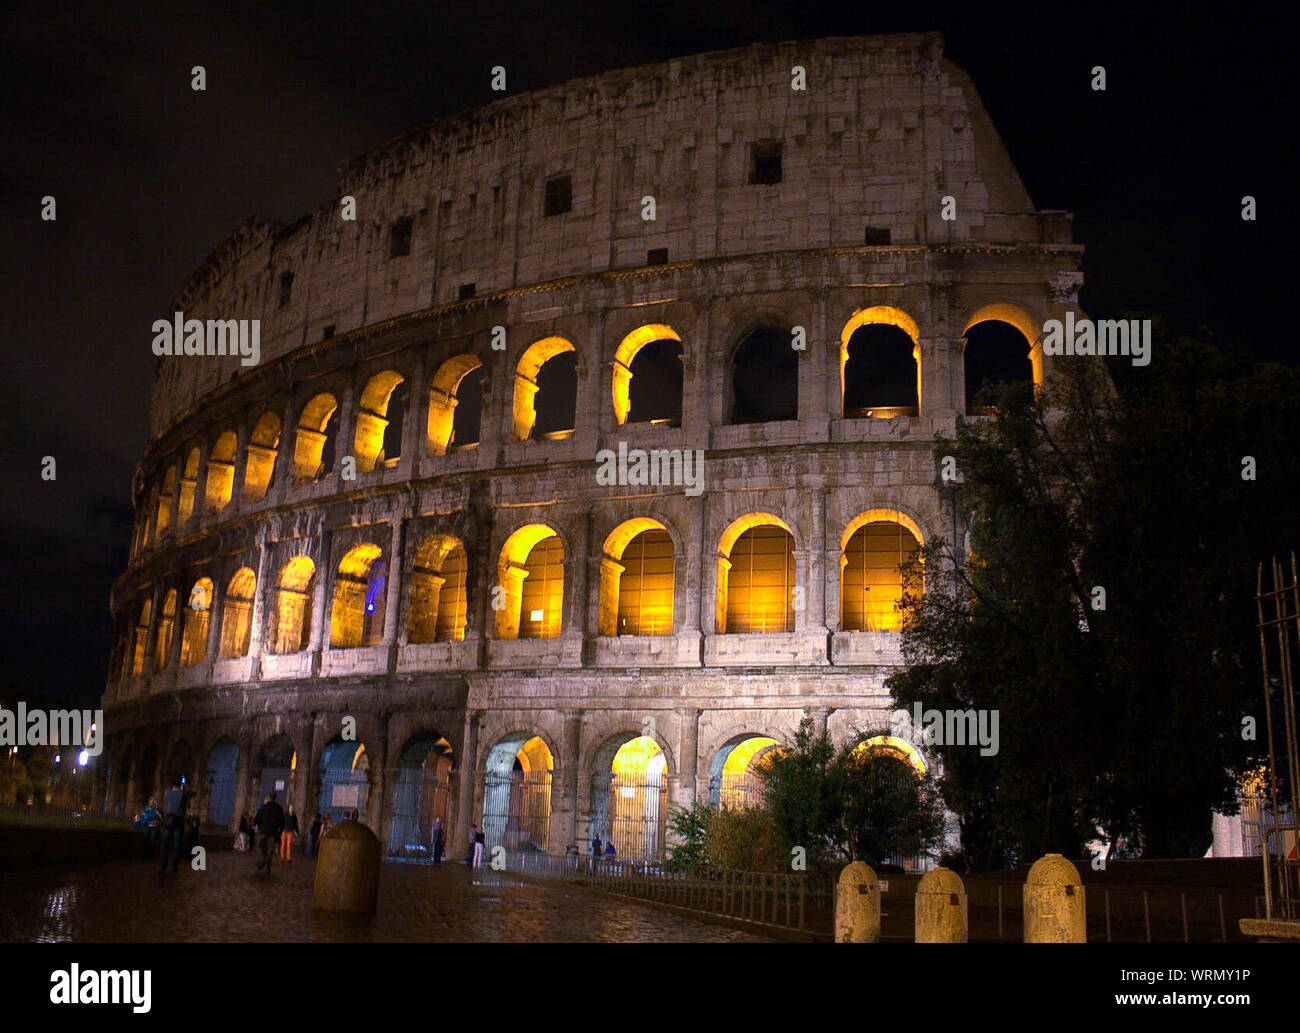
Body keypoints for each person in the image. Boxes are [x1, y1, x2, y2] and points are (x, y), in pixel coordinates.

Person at [158, 779, 189, 874]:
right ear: (180, 783)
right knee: (176, 846)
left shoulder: (167, 793)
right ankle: (174, 867)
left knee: (165, 844)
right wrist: (184, 786)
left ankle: (163, 866)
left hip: (169, 820)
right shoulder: (183, 794)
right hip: (178, 821)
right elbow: (188, 795)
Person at [254, 792, 284, 874]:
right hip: (273, 833)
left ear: (269, 797)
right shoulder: (279, 808)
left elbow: (257, 818)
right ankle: (268, 867)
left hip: (263, 831)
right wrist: (280, 832)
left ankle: (264, 861)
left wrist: (256, 824)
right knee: (270, 851)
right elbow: (281, 822)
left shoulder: (264, 807)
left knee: (262, 848)